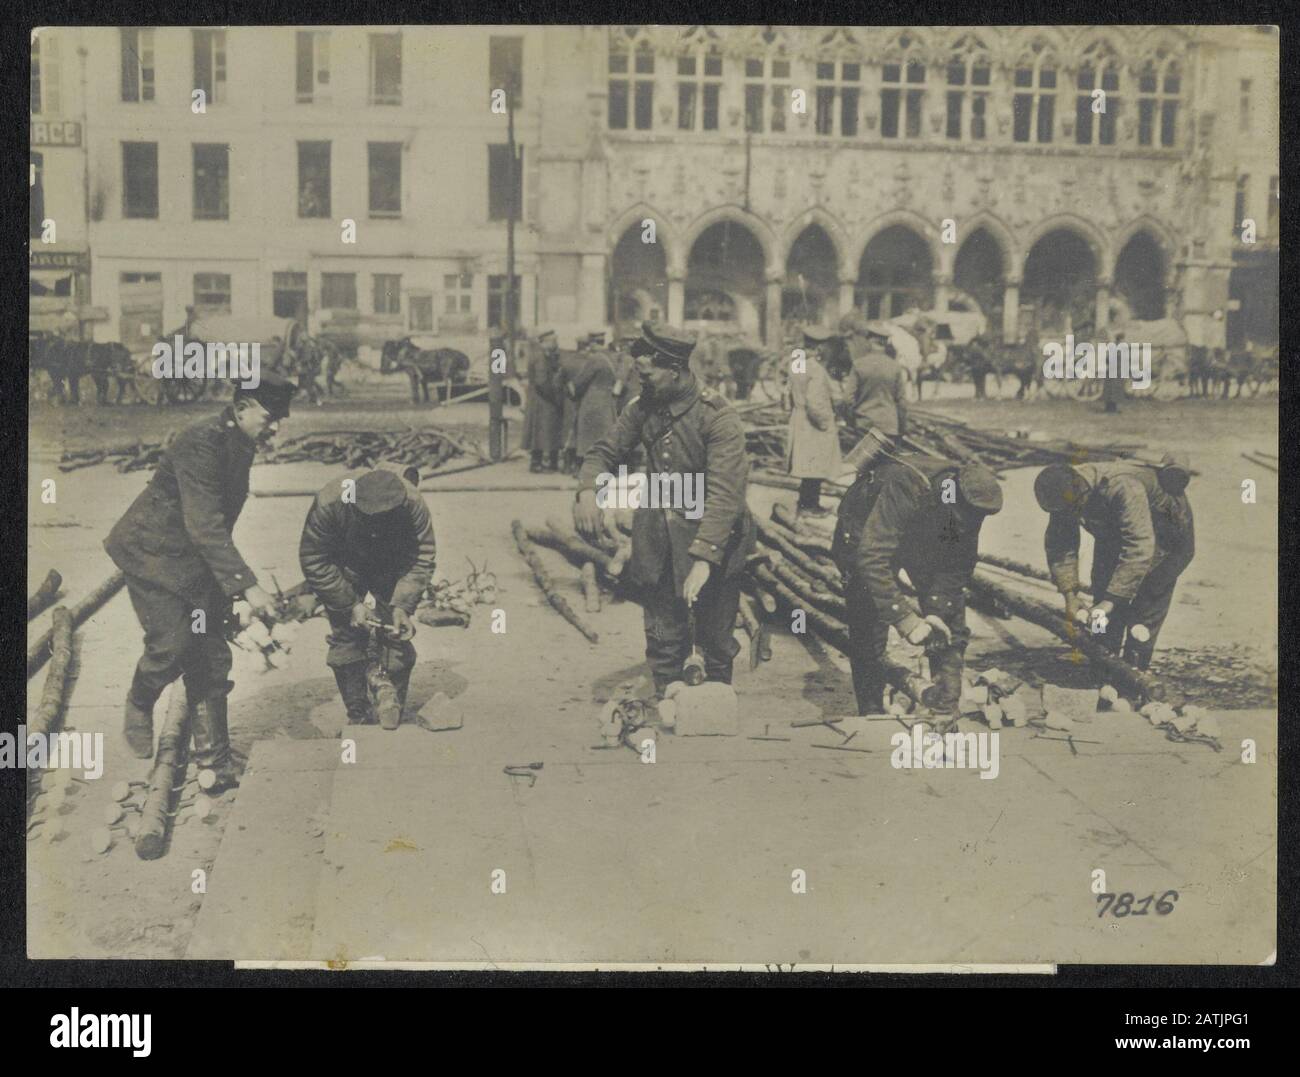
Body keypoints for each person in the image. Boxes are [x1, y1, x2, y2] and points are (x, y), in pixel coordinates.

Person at [104, 373, 297, 790]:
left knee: (209, 656)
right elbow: (206, 525)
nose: (277, 427)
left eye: (281, 418)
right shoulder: (200, 441)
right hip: (151, 554)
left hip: (192, 560)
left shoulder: (241, 444)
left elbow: (216, 527)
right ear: (241, 408)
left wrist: (224, 593)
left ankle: (216, 764)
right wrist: (246, 586)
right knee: (172, 643)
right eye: (270, 416)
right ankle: (140, 699)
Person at [573, 320, 756, 696]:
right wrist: (588, 490)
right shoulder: (643, 407)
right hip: (658, 538)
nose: (643, 381)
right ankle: (666, 706)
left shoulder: (717, 417)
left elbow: (725, 495)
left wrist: (704, 559)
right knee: (663, 636)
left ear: (675, 369)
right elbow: (605, 451)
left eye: (649, 373)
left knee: (716, 640)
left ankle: (713, 712)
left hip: (715, 537)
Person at [832, 453, 1004, 716]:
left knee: (950, 622)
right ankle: (872, 710)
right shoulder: (908, 484)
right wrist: (905, 621)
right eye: (961, 518)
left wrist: (936, 611)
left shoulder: (971, 506)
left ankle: (944, 707)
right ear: (949, 492)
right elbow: (871, 557)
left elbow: (957, 567)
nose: (967, 524)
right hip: (864, 528)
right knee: (868, 618)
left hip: (921, 533)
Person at [298, 469, 437, 727]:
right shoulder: (331, 503)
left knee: (396, 635)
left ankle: (391, 708)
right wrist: (349, 604)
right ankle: (359, 715)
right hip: (345, 563)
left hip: (391, 565)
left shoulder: (413, 503)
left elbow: (421, 556)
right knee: (347, 639)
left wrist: (402, 606)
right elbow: (314, 559)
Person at [1033, 456, 1194, 670]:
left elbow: (1140, 546)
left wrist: (1110, 601)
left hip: (1166, 538)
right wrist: (1070, 595)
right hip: (1115, 534)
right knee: (1102, 604)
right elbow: (1060, 546)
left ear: (1083, 492)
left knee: (1144, 609)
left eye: (1075, 509)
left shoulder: (1124, 487)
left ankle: (1134, 677)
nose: (1071, 516)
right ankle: (1103, 666)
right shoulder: (1064, 494)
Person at [836, 312, 909, 474]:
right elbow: (902, 403)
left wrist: (851, 420)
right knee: (885, 473)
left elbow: (847, 400)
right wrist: (901, 428)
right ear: (886, 342)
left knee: (862, 472)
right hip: (889, 427)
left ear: (870, 340)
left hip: (865, 426)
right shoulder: (895, 367)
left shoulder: (859, 365)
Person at [787, 325, 842, 516]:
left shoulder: (797, 363)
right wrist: (825, 423)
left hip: (799, 419)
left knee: (807, 464)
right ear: (819, 349)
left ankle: (806, 503)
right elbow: (815, 402)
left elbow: (787, 393)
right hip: (812, 423)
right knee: (815, 465)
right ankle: (809, 506)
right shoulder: (816, 369)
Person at [522, 329, 563, 472]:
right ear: (545, 342)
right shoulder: (540, 357)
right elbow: (542, 382)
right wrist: (555, 398)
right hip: (543, 399)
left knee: (540, 431)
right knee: (542, 431)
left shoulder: (542, 355)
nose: (556, 343)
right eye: (553, 340)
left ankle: (541, 462)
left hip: (539, 398)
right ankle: (537, 463)